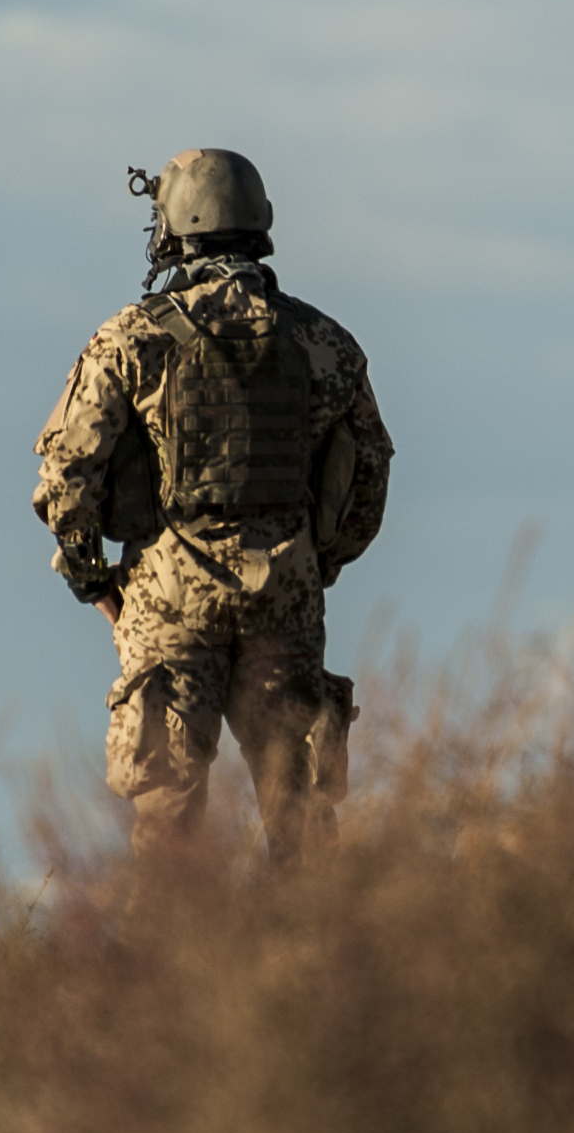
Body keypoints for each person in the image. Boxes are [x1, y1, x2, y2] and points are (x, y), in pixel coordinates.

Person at [32, 149, 393, 865]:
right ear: (257, 224)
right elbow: (369, 472)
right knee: (302, 829)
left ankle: (165, 975)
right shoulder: (324, 343)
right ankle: (314, 972)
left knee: (167, 837)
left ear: (174, 227)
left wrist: (94, 583)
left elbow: (65, 474)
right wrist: (314, 565)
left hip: (166, 606)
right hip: (283, 602)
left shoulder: (129, 339)